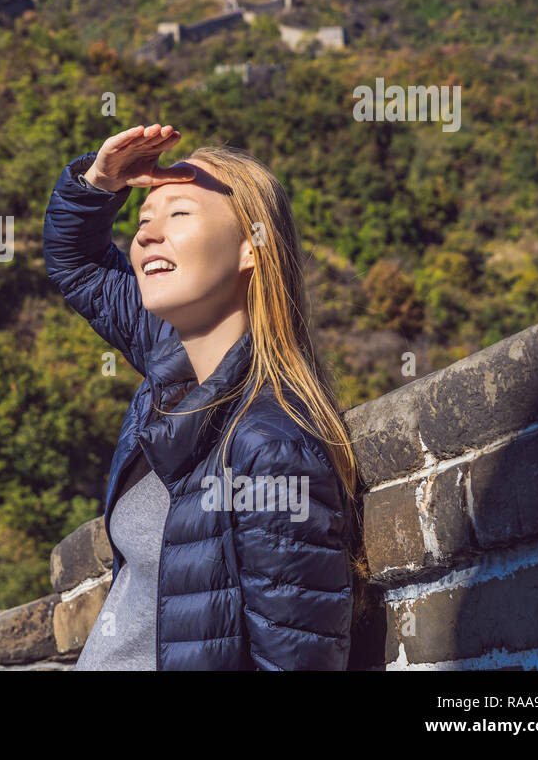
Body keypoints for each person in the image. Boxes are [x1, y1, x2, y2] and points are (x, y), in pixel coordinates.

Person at [43, 123, 359, 670]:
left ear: (252, 248)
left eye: (179, 215)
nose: (145, 236)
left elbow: (293, 661)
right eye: (143, 222)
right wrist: (99, 183)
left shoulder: (270, 446)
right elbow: (79, 262)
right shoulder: (170, 365)